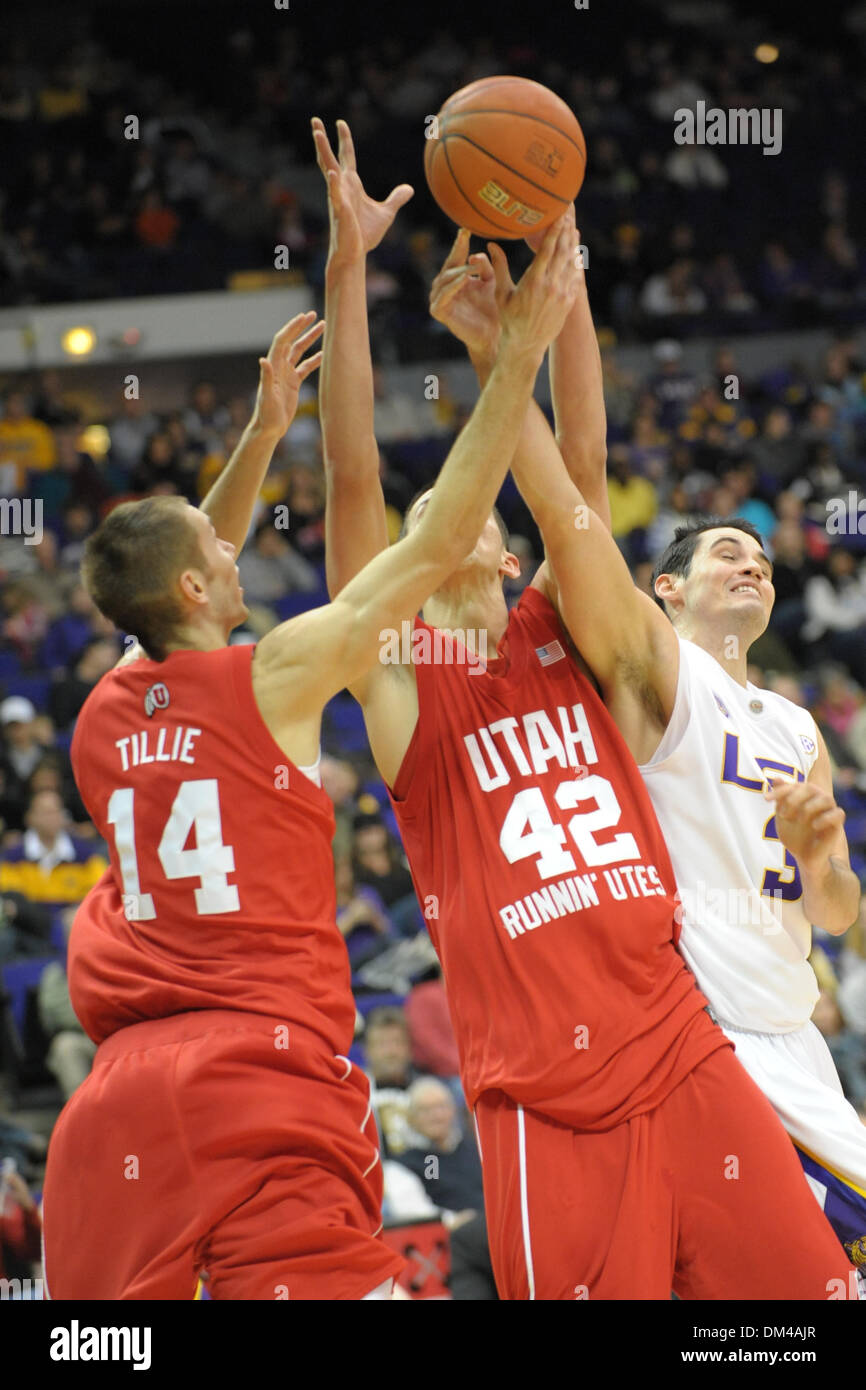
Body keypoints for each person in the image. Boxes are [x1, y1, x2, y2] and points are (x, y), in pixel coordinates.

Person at [314, 116, 858, 1300]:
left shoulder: (563, 635)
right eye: (418, 529)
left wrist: (558, 267)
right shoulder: (399, 681)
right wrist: (349, 266)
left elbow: (581, 452)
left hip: (678, 1042)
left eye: (465, 517)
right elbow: (351, 475)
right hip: (538, 1094)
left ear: (507, 559)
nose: (437, 522)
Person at [42, 223, 586, 1301]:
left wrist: (258, 433)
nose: (238, 555)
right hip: (261, 1072)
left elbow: (170, 575)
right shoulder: (277, 673)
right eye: (219, 559)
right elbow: (425, 549)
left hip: (116, 1096)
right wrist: (514, 358)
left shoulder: (102, 714)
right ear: (198, 590)